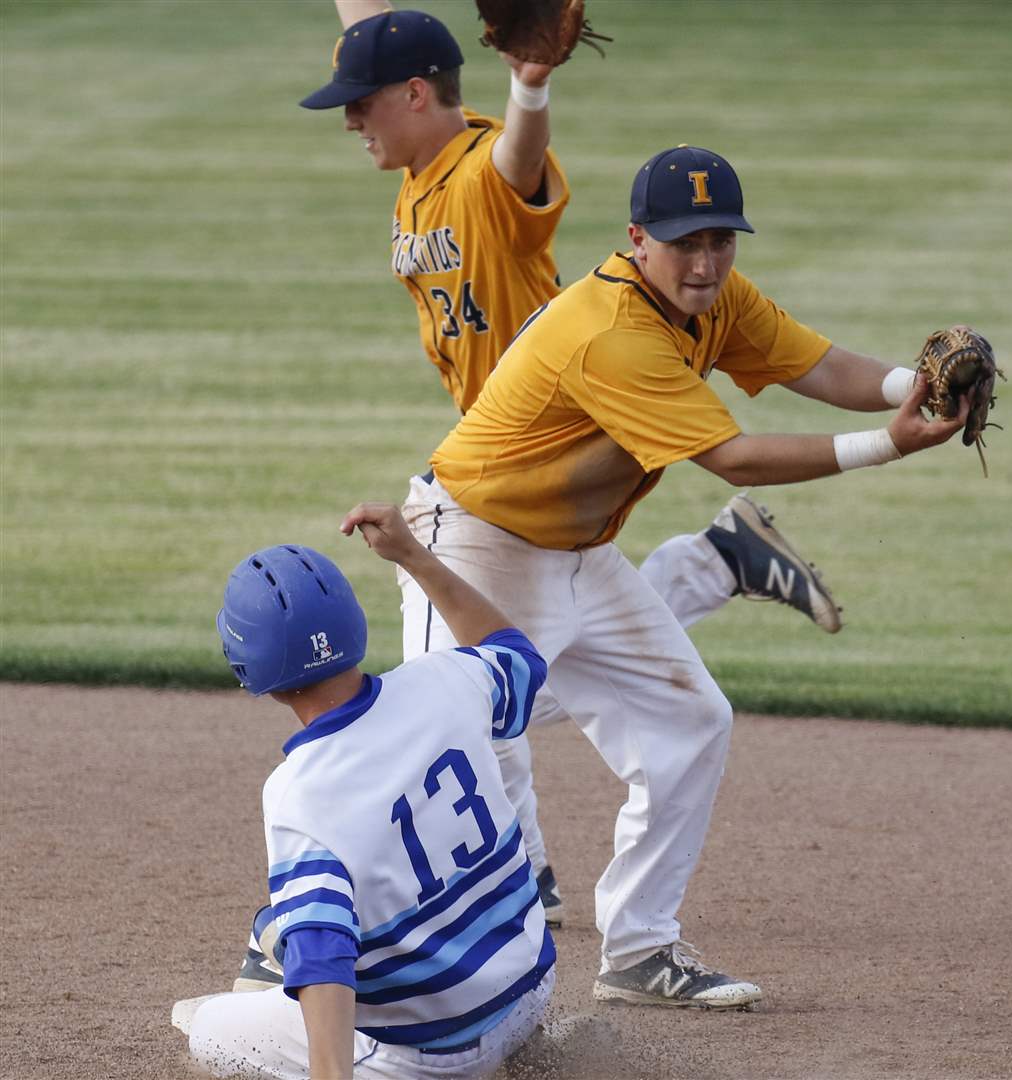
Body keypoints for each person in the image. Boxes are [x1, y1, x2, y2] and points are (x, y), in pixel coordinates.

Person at [340, 145, 970, 1009]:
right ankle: (315, 929)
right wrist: (892, 442)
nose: (706, 262)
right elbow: (735, 456)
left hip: (579, 552)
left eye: (720, 240)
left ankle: (637, 949)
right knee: (441, 738)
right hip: (470, 541)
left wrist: (922, 384)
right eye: (684, 242)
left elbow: (816, 366)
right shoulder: (610, 332)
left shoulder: (716, 298)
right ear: (637, 238)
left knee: (689, 719)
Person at [301, 6, 842, 928]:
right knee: (499, 686)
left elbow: (515, 161)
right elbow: (384, 30)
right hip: (518, 459)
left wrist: (529, 84)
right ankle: (714, 564)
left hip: (551, 429)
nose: (352, 118)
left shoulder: (476, 173)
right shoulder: (421, 177)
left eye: (364, 102)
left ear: (418, 94)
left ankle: (385, 902)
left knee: (460, 704)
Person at [181, 505, 554, 1078]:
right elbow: (519, 654)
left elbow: (325, 954)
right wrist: (413, 556)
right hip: (531, 997)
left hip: (428, 1059)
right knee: (280, 927)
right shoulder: (448, 678)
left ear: (247, 667)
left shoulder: (298, 794)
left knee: (207, 1025)